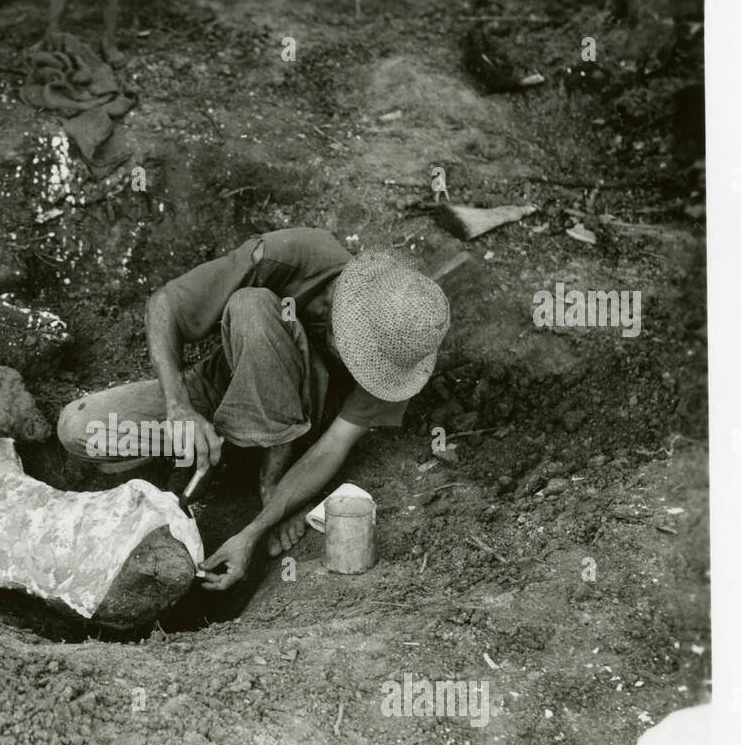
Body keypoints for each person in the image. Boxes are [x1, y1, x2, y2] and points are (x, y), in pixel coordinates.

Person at [56, 228, 449, 590]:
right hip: (216, 387)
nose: (360, 366)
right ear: (345, 313)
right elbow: (165, 304)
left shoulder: (399, 353)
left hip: (299, 426)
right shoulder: (294, 256)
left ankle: (265, 477)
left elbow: (332, 447)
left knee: (253, 307)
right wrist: (180, 409)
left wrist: (254, 531)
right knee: (80, 429)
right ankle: (210, 448)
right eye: (358, 354)